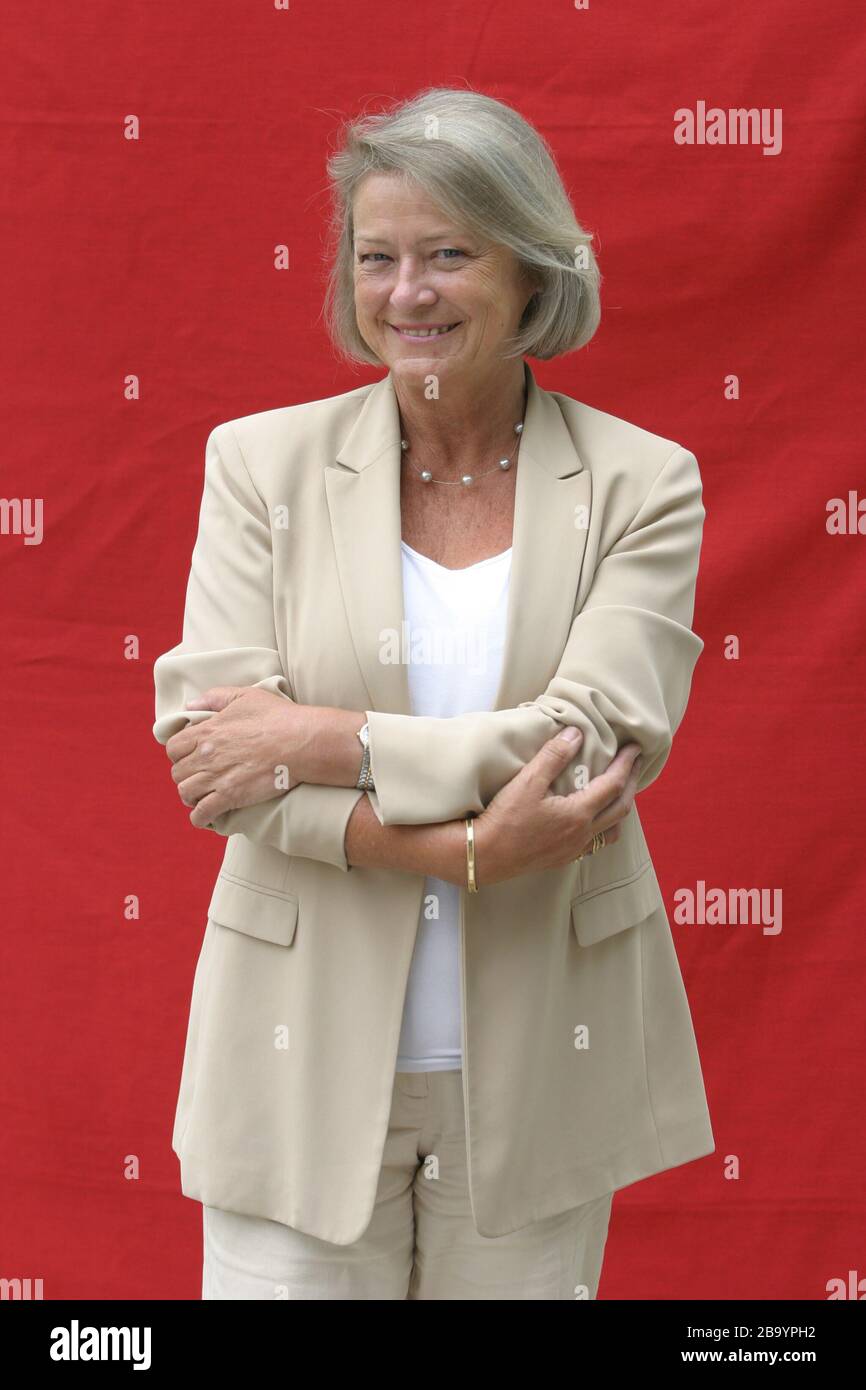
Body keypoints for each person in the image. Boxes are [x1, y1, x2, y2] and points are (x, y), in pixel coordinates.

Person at [152, 85, 714, 1300]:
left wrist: (321, 736)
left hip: (540, 1072)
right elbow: (213, 764)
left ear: (530, 272)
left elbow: (584, 742)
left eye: (448, 254)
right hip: (289, 1064)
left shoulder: (642, 481)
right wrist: (466, 847)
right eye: (377, 257)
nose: (405, 292)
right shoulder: (258, 465)